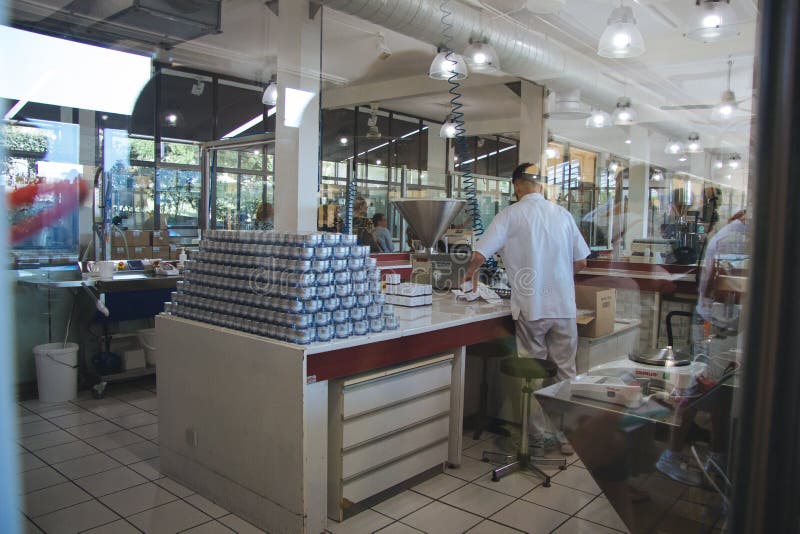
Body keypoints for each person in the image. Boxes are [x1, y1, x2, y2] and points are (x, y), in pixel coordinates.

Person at [463, 162, 590, 455]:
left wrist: (469, 275)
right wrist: (559, 278)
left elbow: (481, 252)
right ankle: (564, 438)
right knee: (565, 373)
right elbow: (582, 260)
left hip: (532, 309)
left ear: (516, 186)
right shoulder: (563, 215)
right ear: (540, 186)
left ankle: (536, 436)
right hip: (563, 307)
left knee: (533, 373)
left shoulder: (511, 214)